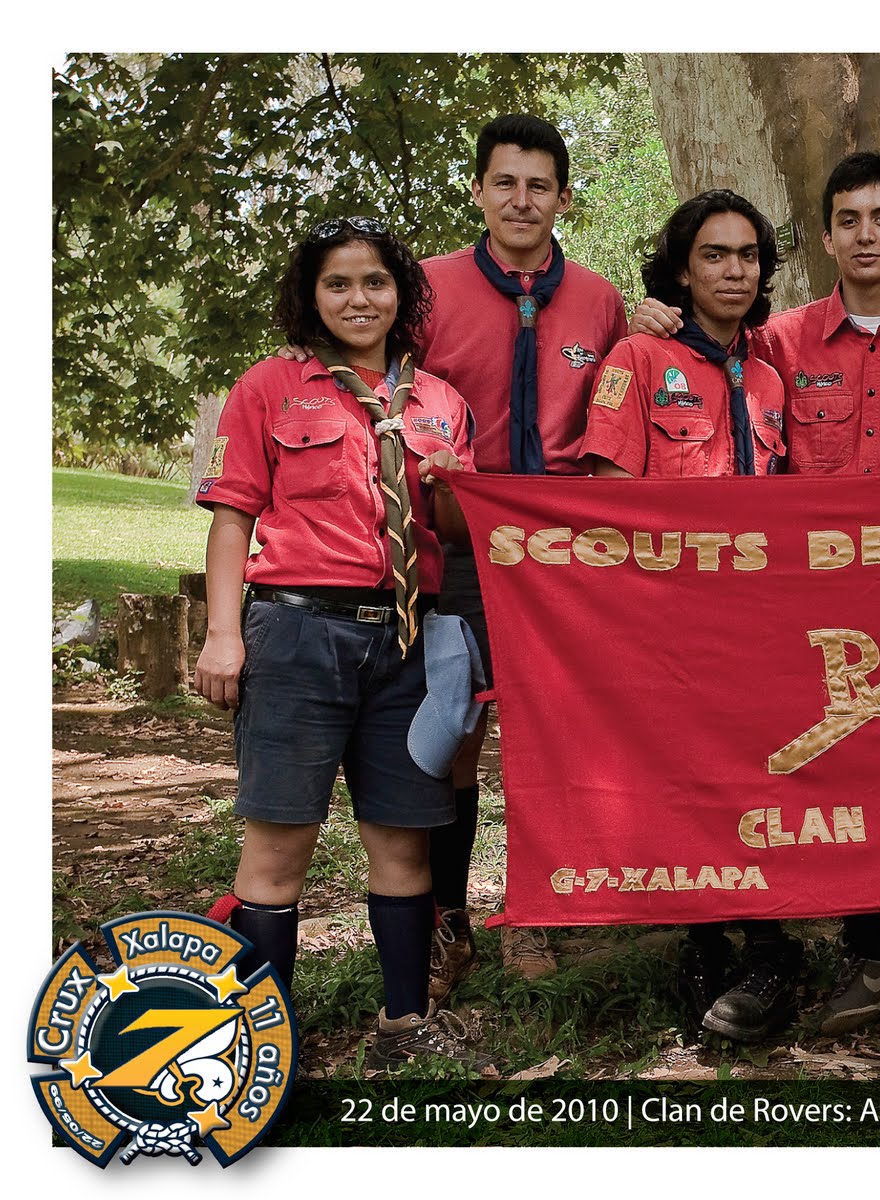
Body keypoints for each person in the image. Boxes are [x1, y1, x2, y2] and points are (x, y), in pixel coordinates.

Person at [627, 152, 880, 1037]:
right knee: (766, 768)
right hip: (777, 609)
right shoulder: (775, 344)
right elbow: (681, 373)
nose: (865, 235)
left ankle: (869, 951)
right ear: (826, 235)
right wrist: (645, 322)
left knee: (863, 773)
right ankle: (747, 948)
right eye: (848, 220)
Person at [194, 216, 483, 1068]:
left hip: (405, 639)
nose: (360, 299)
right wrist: (222, 636)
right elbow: (233, 515)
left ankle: (404, 1027)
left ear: (402, 294)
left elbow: (459, 532)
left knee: (402, 837)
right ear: (311, 297)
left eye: (376, 282)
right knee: (279, 843)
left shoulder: (439, 402)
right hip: (295, 632)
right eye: (338, 283)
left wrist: (449, 489)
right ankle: (258, 1044)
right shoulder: (270, 388)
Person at [409, 115, 629, 996]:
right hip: (462, 543)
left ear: (564, 197)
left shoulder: (601, 302)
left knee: (553, 734)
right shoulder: (425, 289)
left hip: (566, 555)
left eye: (540, 186)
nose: (522, 200)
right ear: (477, 191)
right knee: (458, 729)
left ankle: (535, 913)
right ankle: (446, 917)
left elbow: (621, 406)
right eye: (505, 183)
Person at [581, 189, 795, 1041]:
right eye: (715, 255)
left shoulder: (773, 377)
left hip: (760, 621)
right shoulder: (637, 358)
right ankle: (704, 943)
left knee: (765, 778)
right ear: (681, 268)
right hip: (669, 620)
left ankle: (774, 951)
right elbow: (608, 503)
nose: (734, 270)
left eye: (747, 256)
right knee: (688, 784)